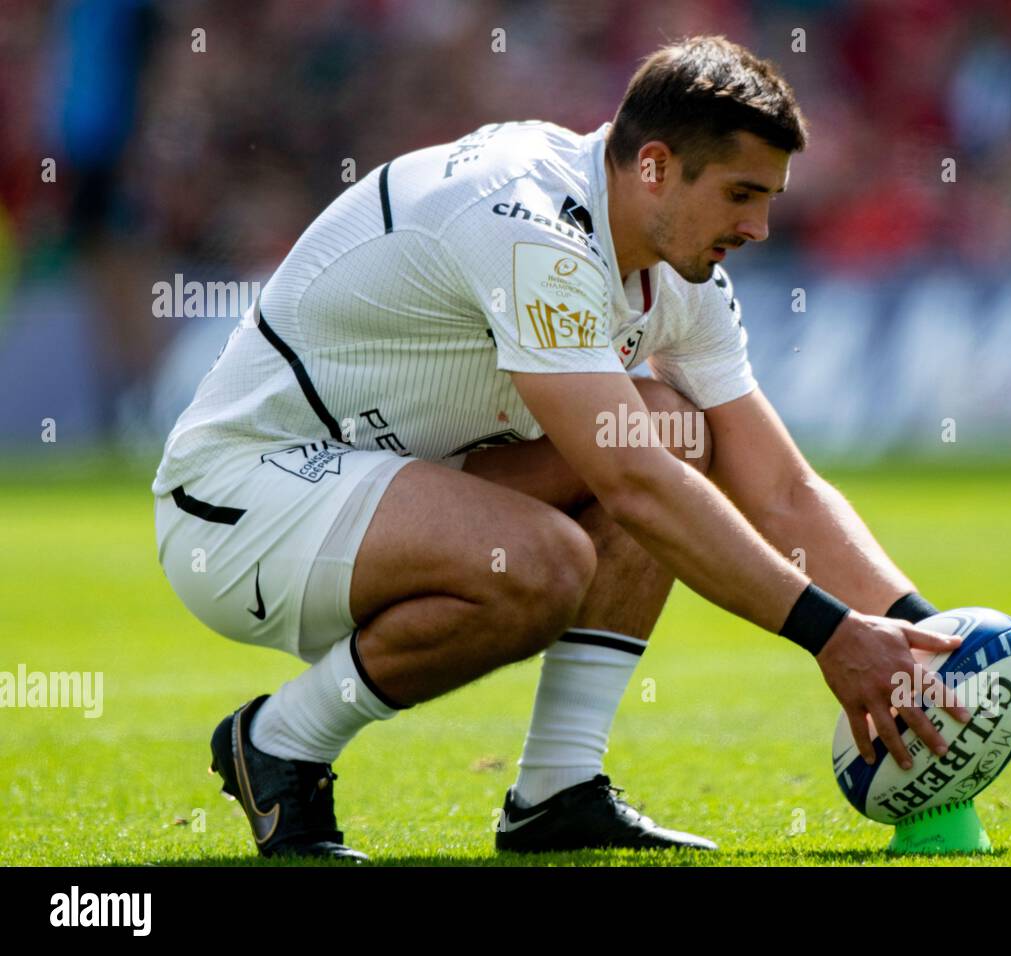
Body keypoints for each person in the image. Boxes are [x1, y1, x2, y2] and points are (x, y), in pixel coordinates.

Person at [152, 34, 969, 862]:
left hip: (392, 478)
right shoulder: (526, 224)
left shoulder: (673, 271)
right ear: (653, 166)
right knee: (544, 560)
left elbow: (782, 488)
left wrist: (930, 637)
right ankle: (281, 742)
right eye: (741, 194)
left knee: (673, 428)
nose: (758, 227)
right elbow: (633, 485)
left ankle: (557, 792)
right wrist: (834, 637)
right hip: (242, 498)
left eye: (769, 200)